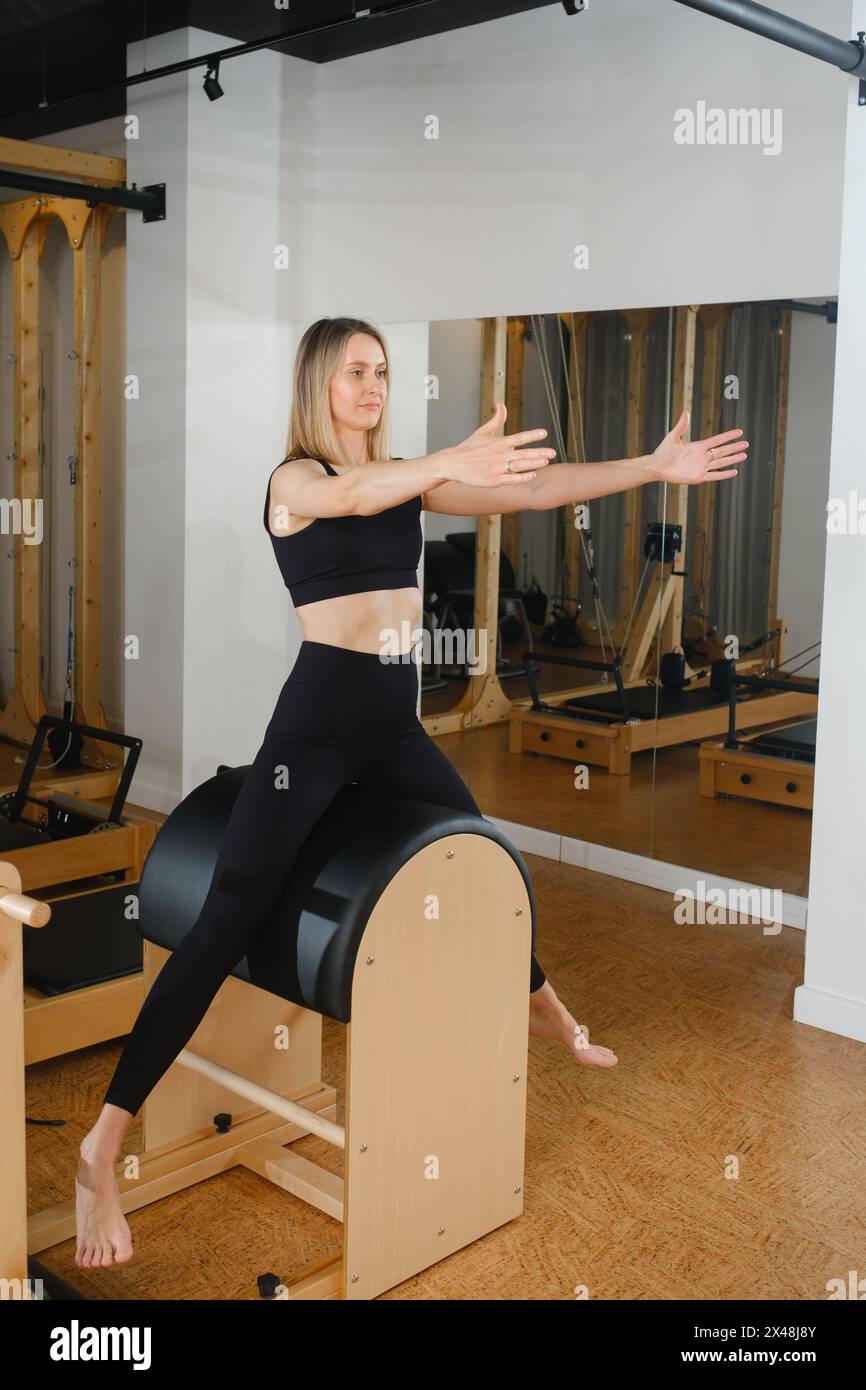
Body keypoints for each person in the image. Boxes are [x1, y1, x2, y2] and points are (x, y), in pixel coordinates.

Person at [74, 316, 748, 1269]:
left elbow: (534, 488)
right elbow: (358, 489)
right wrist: (439, 462)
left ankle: (538, 1003)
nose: (374, 384)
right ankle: (103, 1146)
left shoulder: (405, 479)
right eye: (357, 371)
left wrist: (648, 467)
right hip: (315, 725)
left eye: (383, 371)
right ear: (319, 381)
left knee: (473, 850)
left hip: (392, 723)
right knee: (226, 913)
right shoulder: (296, 482)